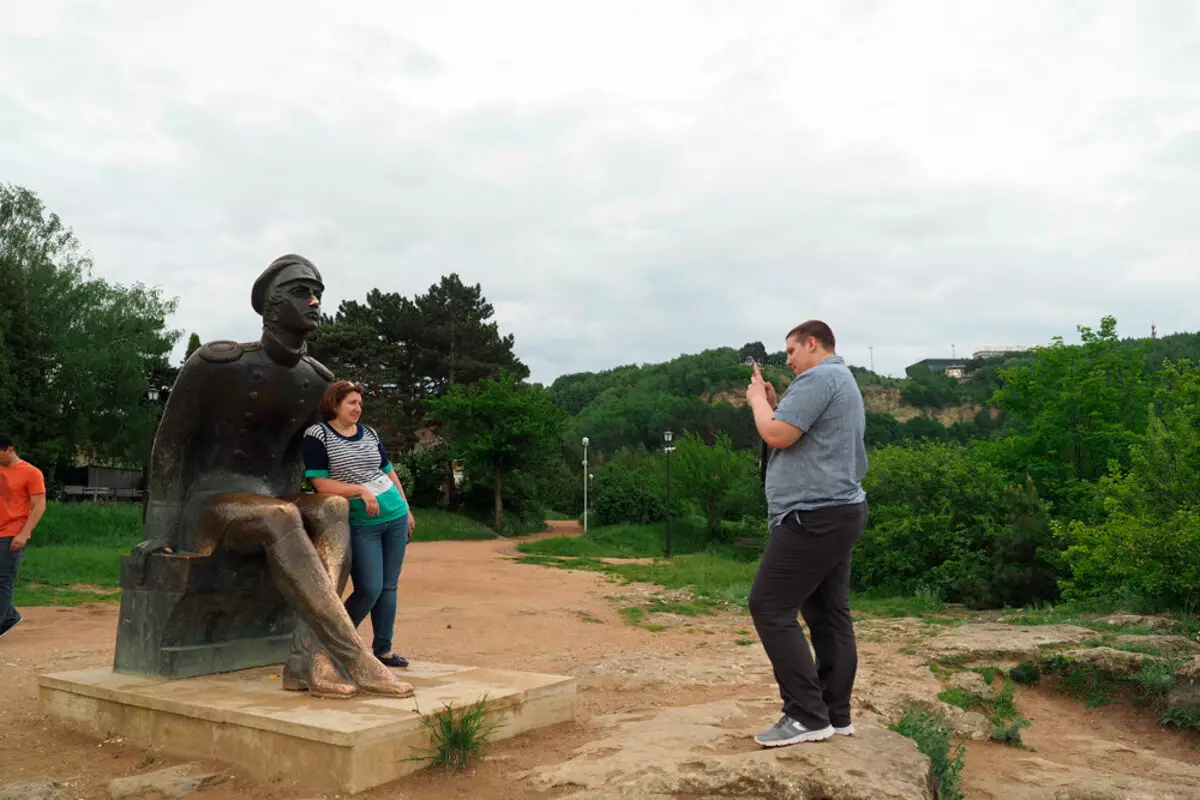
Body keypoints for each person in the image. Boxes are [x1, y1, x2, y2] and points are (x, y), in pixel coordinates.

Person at [744, 320, 868, 747]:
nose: (788, 360)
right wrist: (777, 402)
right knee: (827, 613)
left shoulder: (818, 378)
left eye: (792, 351)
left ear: (812, 343)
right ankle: (834, 714)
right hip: (839, 511)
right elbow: (796, 430)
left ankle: (805, 715)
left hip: (812, 516)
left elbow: (777, 434)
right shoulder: (840, 379)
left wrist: (759, 403)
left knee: (769, 606)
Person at [304, 380, 415, 668]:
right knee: (369, 588)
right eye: (352, 403)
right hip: (361, 521)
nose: (358, 408)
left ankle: (384, 650)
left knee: (389, 586)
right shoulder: (318, 435)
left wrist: (407, 507)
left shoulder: (370, 433)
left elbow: (388, 472)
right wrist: (359, 491)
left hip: (395, 516)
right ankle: (332, 644)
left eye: (360, 404)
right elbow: (319, 483)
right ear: (334, 404)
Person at [0, 434, 46, 639]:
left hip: (11, 534)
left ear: (10, 449)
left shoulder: (31, 473)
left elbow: (39, 506)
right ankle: (9, 616)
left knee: (3, 580)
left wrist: (24, 533)